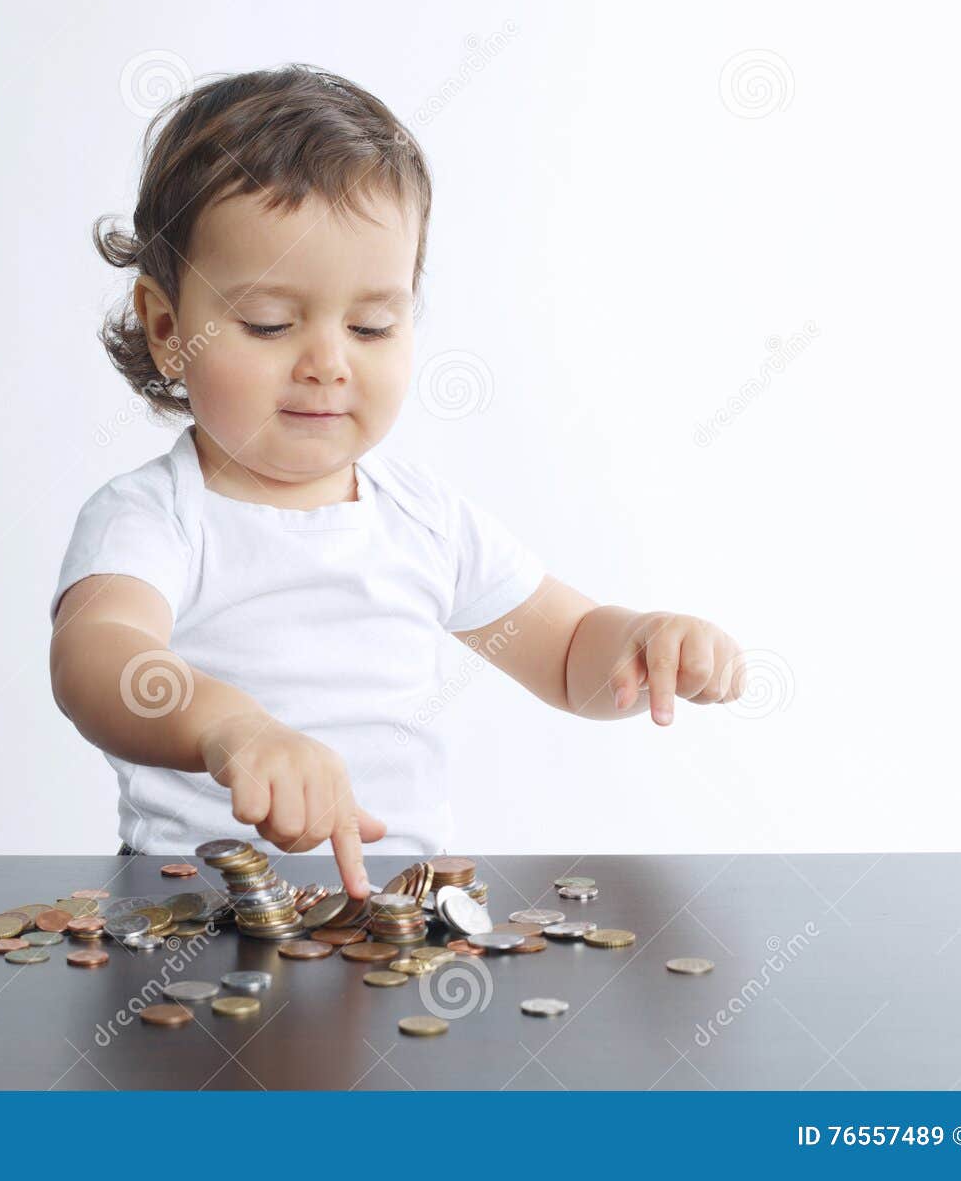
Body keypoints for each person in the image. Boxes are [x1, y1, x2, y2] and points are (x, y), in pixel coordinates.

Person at [50, 64, 745, 899]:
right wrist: (226, 726)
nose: (328, 364)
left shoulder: (423, 518)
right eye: (269, 322)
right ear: (168, 329)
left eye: (372, 324)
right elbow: (97, 659)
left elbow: (566, 654)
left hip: (392, 915)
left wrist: (641, 641)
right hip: (192, 915)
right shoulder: (155, 516)